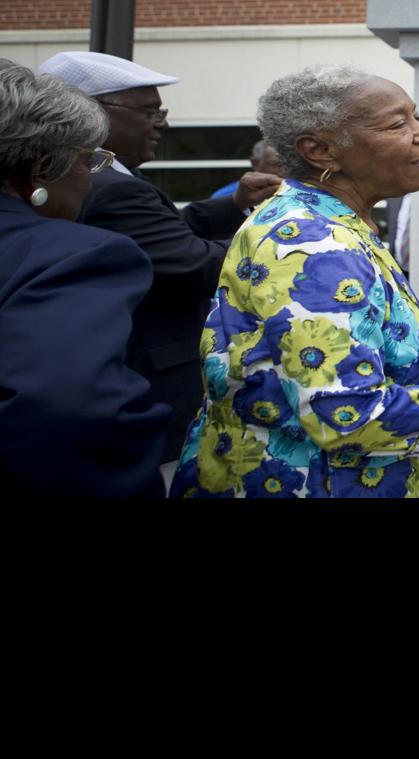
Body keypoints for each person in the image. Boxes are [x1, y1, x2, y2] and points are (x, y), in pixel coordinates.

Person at [168, 64, 419, 498]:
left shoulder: (327, 220)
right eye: (397, 124)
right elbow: (351, 416)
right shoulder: (311, 244)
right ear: (320, 151)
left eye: (418, 117)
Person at [38, 51, 283, 485]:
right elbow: (192, 264)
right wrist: (301, 237)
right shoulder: (108, 185)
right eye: (149, 111)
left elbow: (161, 239)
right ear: (91, 112)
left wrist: (234, 205)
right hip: (152, 390)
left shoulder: (105, 177)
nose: (163, 124)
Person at [0, 59, 171, 497]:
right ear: (41, 169)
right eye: (89, 160)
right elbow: (71, 412)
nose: (92, 180)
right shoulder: (74, 255)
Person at [209, 139, 285, 198]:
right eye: (276, 164)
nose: (284, 171)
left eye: (288, 165)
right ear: (255, 163)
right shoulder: (227, 196)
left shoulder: (293, 190)